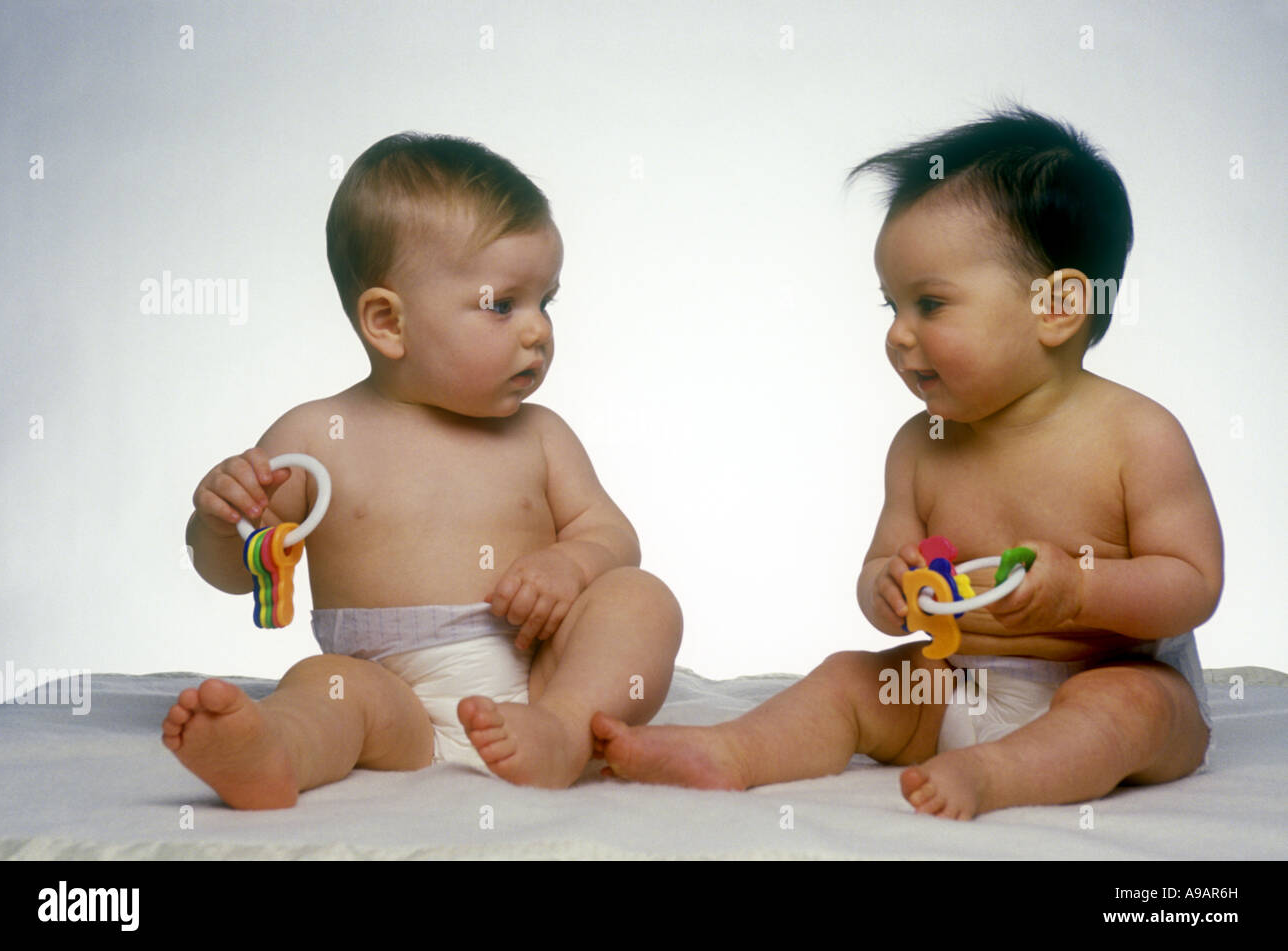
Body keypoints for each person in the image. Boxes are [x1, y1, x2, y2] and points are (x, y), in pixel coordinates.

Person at [593, 108, 1220, 820]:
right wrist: (887, 591)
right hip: (953, 686)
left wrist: (1081, 590)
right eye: (891, 304)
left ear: (1058, 306)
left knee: (1129, 707)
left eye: (929, 303)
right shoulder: (922, 443)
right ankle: (732, 752)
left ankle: (996, 774)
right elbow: (879, 571)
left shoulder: (1137, 435)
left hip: (1108, 673)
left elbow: (1193, 582)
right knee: (849, 680)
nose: (896, 333)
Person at [164, 132, 682, 809]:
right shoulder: (316, 435)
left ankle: (560, 731)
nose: (538, 331)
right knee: (323, 684)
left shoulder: (541, 435)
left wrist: (573, 565)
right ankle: (274, 751)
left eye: (545, 301)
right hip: (389, 692)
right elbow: (237, 570)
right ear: (387, 321)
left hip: (539, 677)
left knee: (641, 599)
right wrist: (221, 520)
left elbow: (613, 535)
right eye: (503, 304)